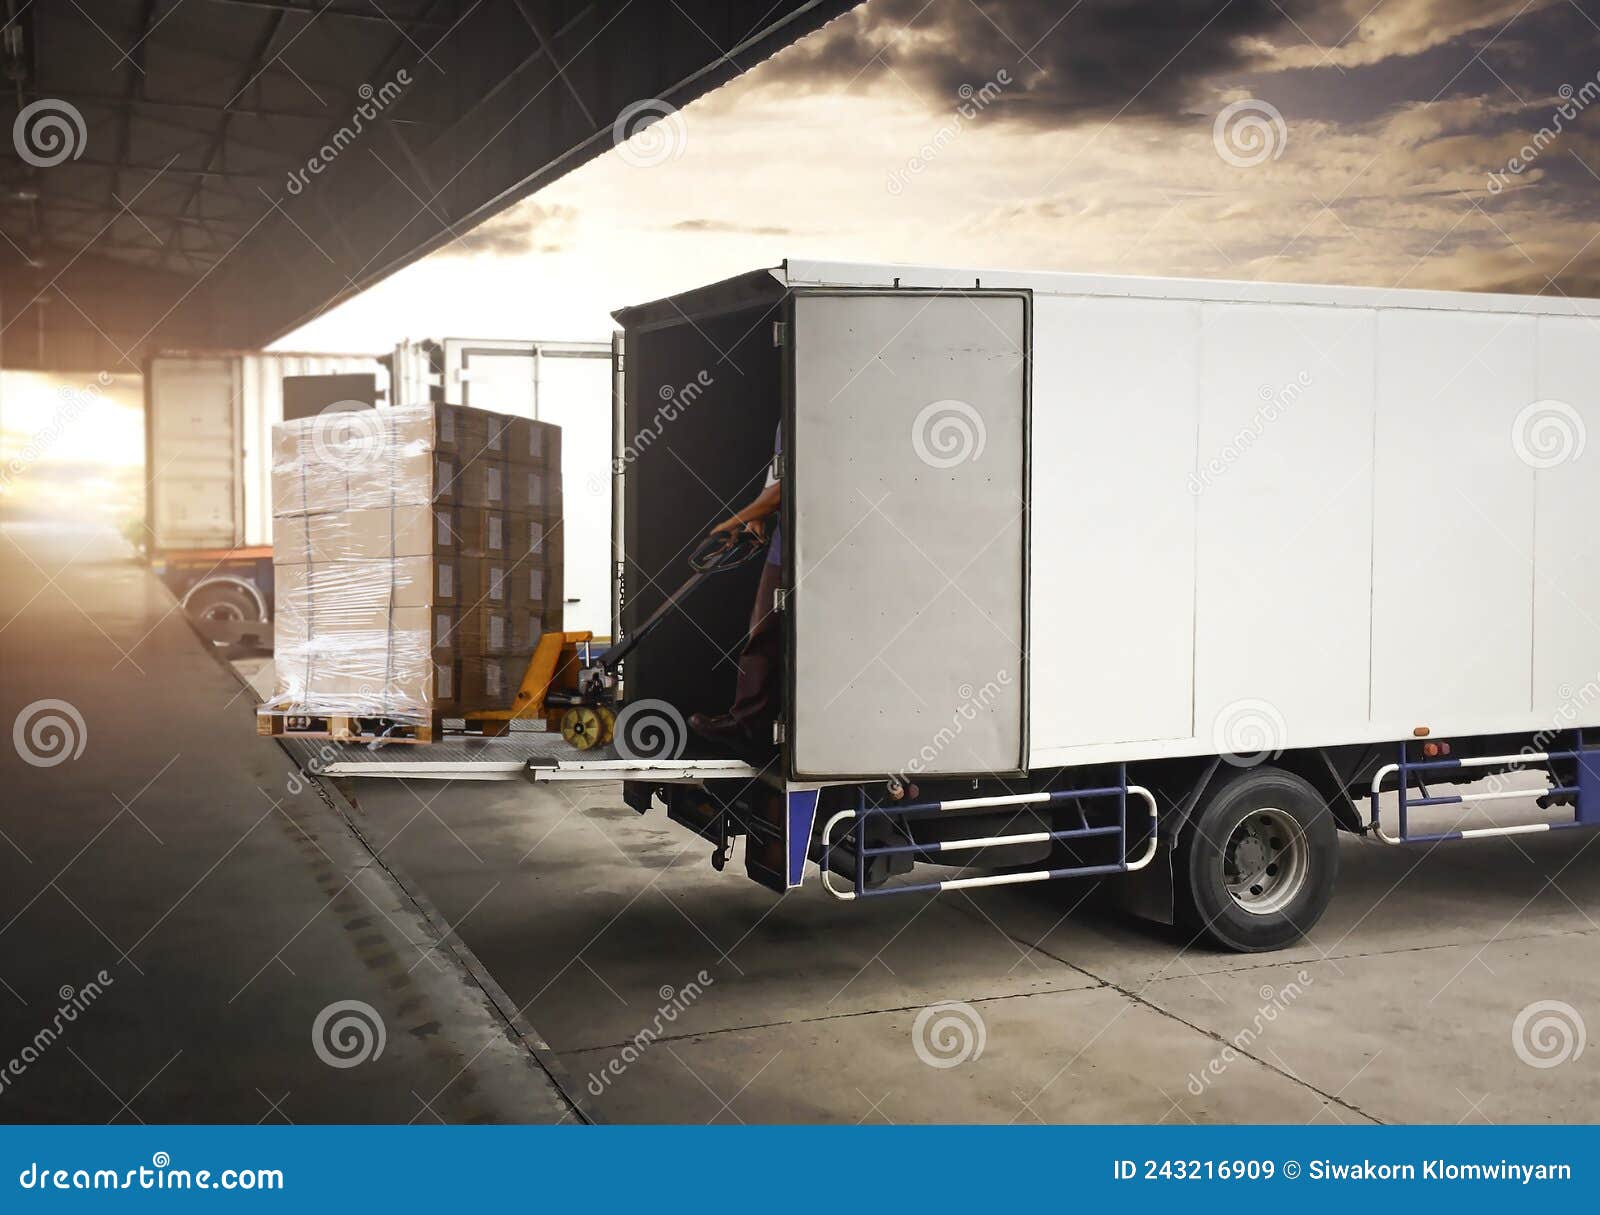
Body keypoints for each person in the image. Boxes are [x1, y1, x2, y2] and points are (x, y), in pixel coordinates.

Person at [690, 428, 783, 747]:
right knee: (762, 633)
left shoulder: (811, 405)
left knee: (770, 635)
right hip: (782, 548)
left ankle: (751, 727)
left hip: (810, 547)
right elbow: (777, 477)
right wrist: (759, 514)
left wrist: (733, 520)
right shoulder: (785, 421)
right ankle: (749, 726)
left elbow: (790, 486)